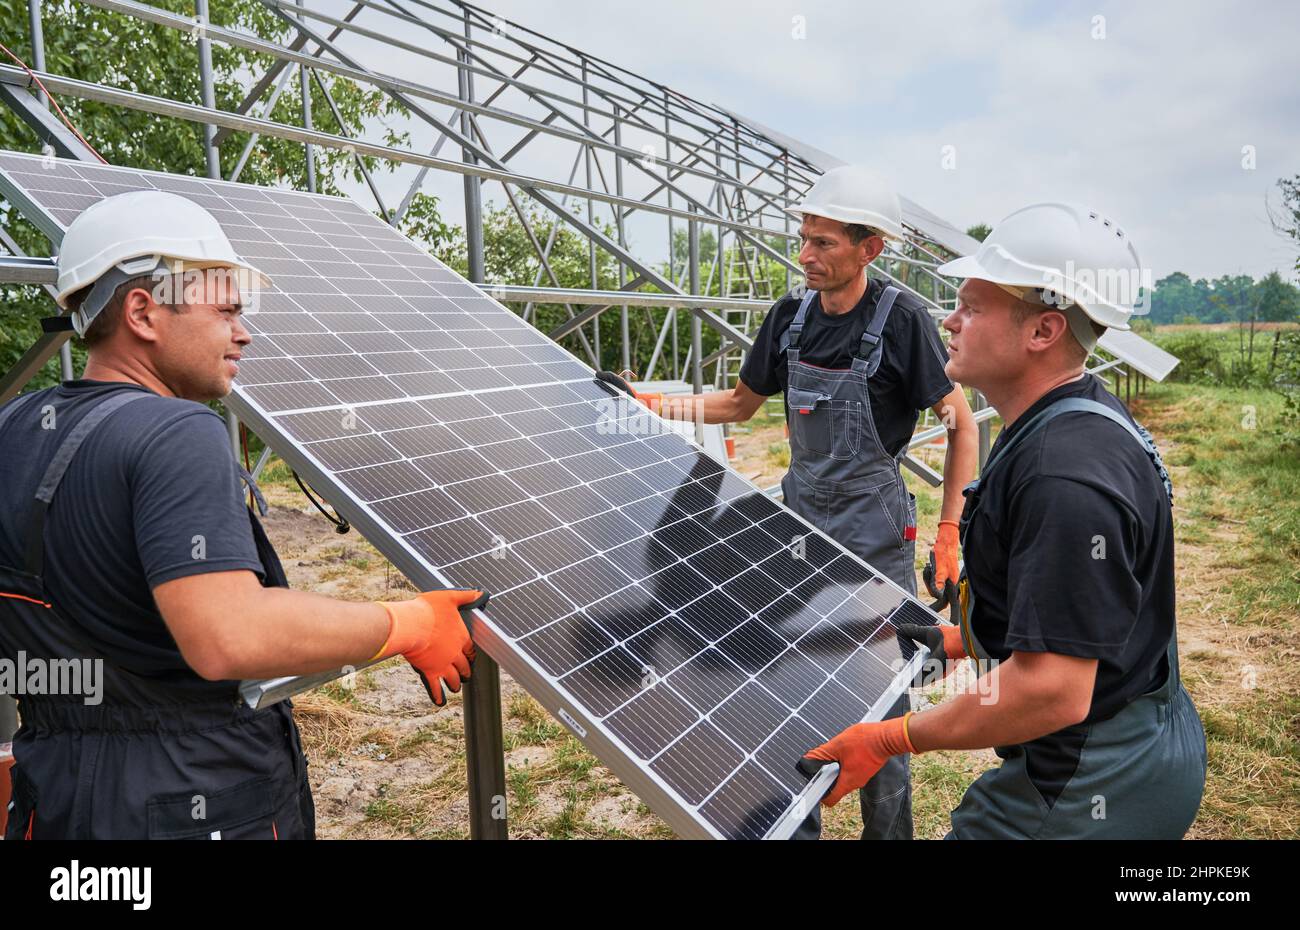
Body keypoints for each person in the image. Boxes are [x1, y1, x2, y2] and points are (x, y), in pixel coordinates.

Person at [0, 190, 481, 839]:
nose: (244, 331)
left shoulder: (14, 426)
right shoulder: (176, 432)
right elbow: (229, 635)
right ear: (143, 312)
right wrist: (408, 622)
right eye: (226, 310)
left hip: (53, 794)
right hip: (188, 797)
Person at [802, 202, 1207, 838]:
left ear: (1042, 331)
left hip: (1089, 782)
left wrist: (890, 738)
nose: (949, 320)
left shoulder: (1064, 474)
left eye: (972, 307)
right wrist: (966, 640)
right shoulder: (1069, 415)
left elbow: (1051, 689)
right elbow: (1077, 608)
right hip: (1137, 735)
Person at [650, 165, 979, 840]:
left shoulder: (901, 320)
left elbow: (961, 422)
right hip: (797, 526)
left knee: (876, 696)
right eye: (804, 239)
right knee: (792, 678)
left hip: (872, 531)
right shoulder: (789, 318)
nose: (805, 256)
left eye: (824, 243)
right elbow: (739, 405)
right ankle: (795, 829)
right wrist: (655, 404)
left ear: (869, 249)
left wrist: (950, 530)